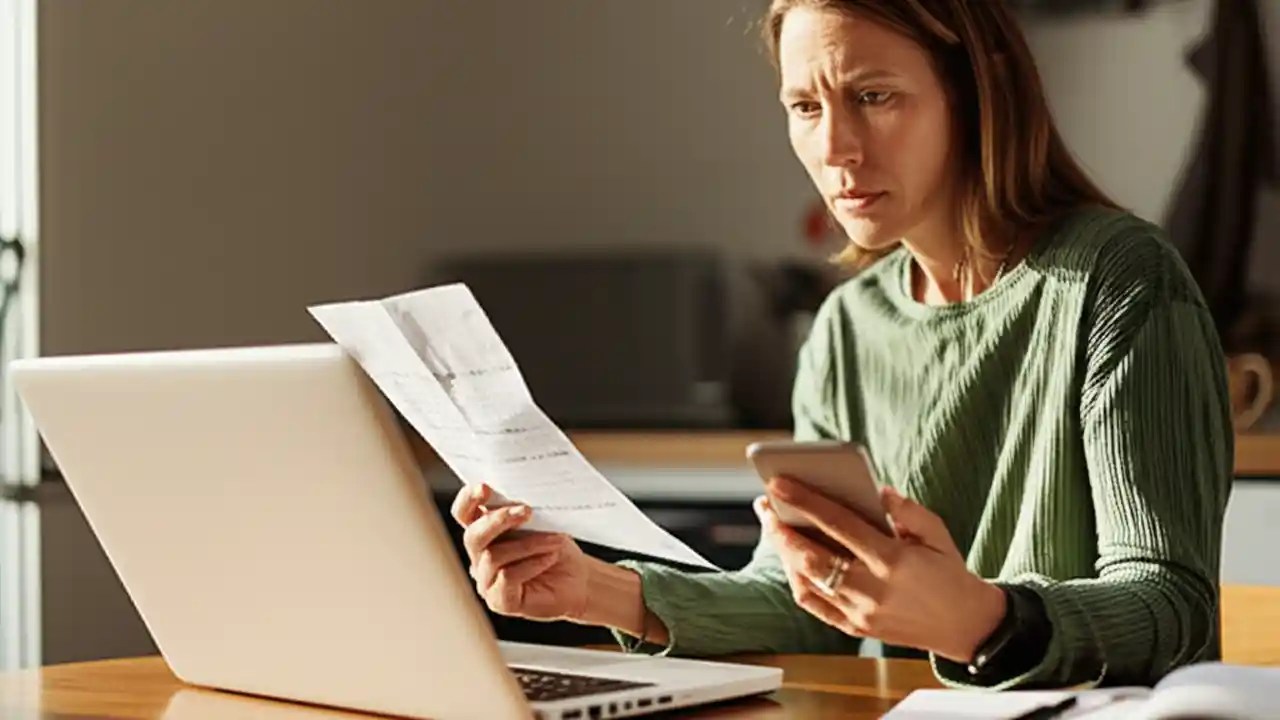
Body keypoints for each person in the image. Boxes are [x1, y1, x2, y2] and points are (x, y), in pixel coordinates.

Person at [450, 0, 1232, 689]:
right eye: (804, 106)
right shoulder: (845, 326)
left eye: (873, 96)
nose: (837, 149)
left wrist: (984, 620)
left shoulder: (1119, 279)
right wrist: (589, 589)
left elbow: (1171, 608)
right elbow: (809, 604)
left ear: (976, 88)